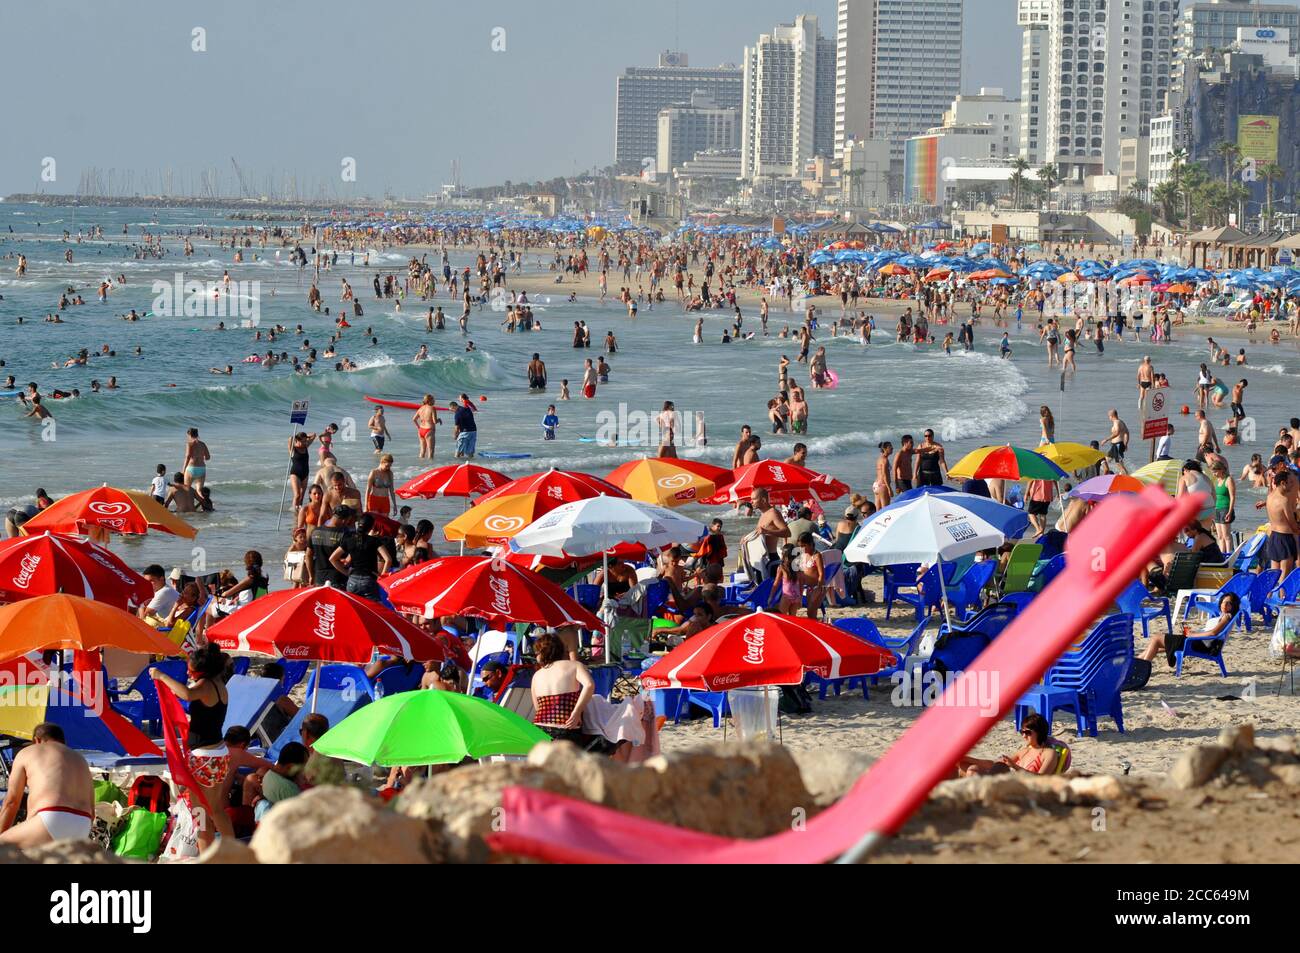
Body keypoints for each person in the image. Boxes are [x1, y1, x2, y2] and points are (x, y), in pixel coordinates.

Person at [150, 643, 235, 847]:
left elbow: (186, 694)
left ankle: (207, 859)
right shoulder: (220, 685)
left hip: (204, 758)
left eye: (191, 669)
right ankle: (235, 854)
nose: (189, 673)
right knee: (216, 809)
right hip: (219, 754)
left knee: (201, 815)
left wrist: (160, 676)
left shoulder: (204, 686)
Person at [0, 723, 94, 847]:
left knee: (5, 847)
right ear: (63, 742)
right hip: (83, 824)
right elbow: (92, 811)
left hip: (50, 818)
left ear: (36, 740)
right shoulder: (80, 759)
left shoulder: (28, 752)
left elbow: (11, 802)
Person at [530, 631, 596, 743]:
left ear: (541, 653)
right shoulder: (575, 666)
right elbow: (589, 685)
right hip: (567, 726)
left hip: (540, 728)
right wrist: (576, 712)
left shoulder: (537, 675)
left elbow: (537, 708)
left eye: (536, 653)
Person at [1141, 593, 1239, 668]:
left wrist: (1191, 635)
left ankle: (1143, 668)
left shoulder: (1227, 617)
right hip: (1198, 641)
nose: (1224, 605)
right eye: (1223, 602)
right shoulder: (1222, 616)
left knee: (1157, 638)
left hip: (1200, 644)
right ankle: (1136, 661)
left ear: (1233, 606)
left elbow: (1213, 633)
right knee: (1158, 645)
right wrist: (1193, 632)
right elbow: (1210, 631)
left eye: (1229, 603)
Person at [954, 714, 1066, 777]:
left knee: (973, 771)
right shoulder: (1025, 750)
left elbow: (1042, 778)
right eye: (1022, 732)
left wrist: (1014, 766)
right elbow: (996, 764)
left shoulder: (1049, 753)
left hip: (1018, 787)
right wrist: (968, 759)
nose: (1024, 736)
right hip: (1006, 778)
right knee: (964, 765)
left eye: (1027, 733)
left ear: (1039, 732)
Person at [329, 512, 392, 601]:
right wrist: (382, 576)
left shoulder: (349, 540)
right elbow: (388, 559)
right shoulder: (374, 541)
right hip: (369, 579)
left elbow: (332, 558)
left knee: (353, 609)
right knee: (372, 610)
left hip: (352, 580)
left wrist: (346, 572)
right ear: (371, 527)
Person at [1265, 469, 1300, 577]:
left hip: (1274, 536)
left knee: (1274, 575)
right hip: (1285, 538)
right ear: (1283, 483)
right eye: (1290, 483)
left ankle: (1269, 594)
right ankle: (1282, 594)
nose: (1292, 486)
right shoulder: (1284, 500)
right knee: (1284, 575)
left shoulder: (1269, 497)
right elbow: (1293, 525)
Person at [1100, 409, 1130, 475]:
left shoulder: (1116, 422)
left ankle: (1127, 476)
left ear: (1112, 416)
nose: (1109, 418)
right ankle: (1107, 473)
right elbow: (1127, 433)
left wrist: (1106, 439)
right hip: (1115, 446)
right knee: (1105, 460)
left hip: (1118, 445)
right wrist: (1126, 443)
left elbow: (1117, 432)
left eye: (1109, 416)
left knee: (1119, 463)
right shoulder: (1121, 422)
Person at [182, 427, 210, 496]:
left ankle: (188, 505)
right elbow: (208, 457)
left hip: (192, 468)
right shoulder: (203, 444)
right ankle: (205, 504)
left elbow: (188, 456)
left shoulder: (189, 444)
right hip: (201, 469)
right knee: (199, 491)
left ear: (189, 434)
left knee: (187, 489)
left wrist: (183, 470)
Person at [413, 395, 441, 460]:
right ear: (429, 401)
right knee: (431, 451)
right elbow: (434, 421)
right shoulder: (432, 408)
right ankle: (430, 466)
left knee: (422, 451)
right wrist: (439, 420)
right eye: (433, 399)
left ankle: (421, 466)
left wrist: (418, 427)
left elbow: (414, 419)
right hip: (429, 430)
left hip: (421, 430)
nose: (434, 401)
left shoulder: (421, 408)